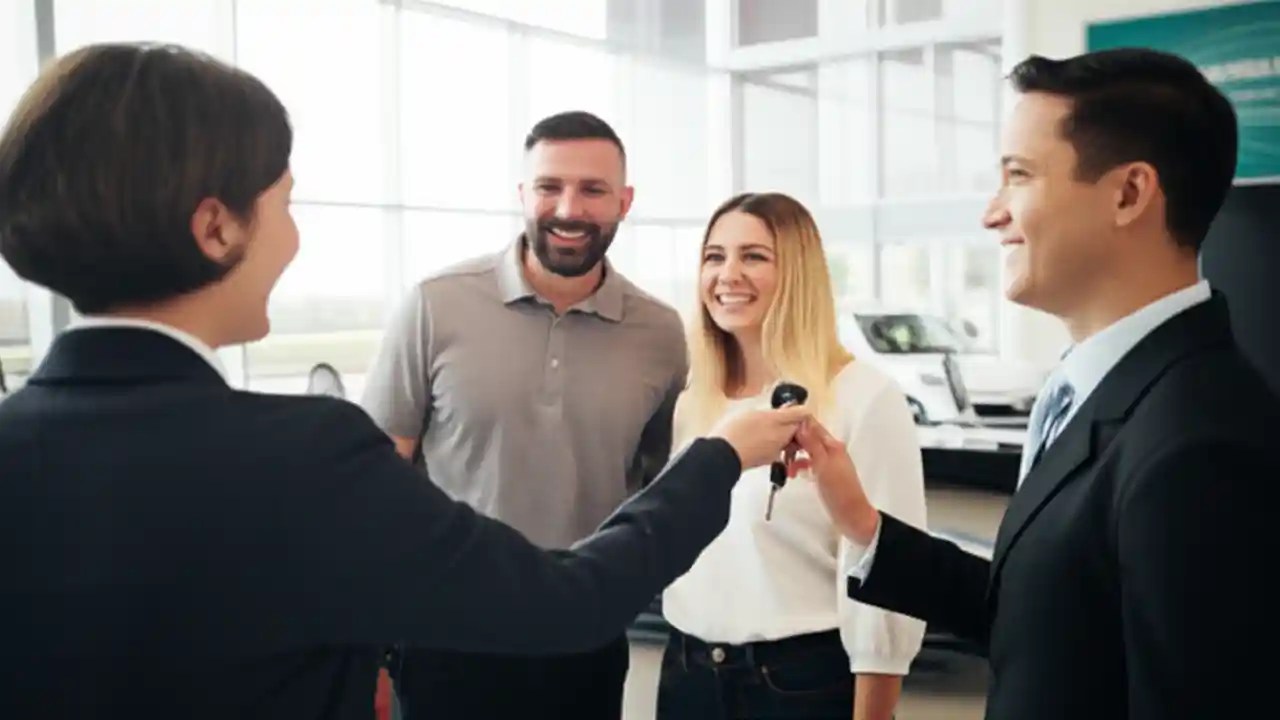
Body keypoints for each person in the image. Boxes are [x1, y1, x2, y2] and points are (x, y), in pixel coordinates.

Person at [0, 42, 815, 718]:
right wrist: (720, 456)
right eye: (284, 202)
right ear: (216, 228)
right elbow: (567, 601)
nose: (293, 236)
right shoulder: (307, 453)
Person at [792, 48, 1279, 720]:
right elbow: (1046, 616)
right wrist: (867, 527)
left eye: (1017, 177)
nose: (992, 214)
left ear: (1129, 194)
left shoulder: (1198, 445)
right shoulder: (1098, 393)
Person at [359, 109, 688, 719]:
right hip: (447, 633)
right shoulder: (438, 304)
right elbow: (379, 478)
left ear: (625, 201)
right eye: (549, 187)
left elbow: (659, 487)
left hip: (585, 636)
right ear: (522, 195)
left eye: (593, 190)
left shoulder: (661, 333)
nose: (568, 208)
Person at [655, 192, 927, 720]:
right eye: (714, 256)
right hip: (686, 675)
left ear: (798, 273)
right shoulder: (691, 399)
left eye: (754, 256)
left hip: (797, 687)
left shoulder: (862, 397)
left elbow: (890, 578)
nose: (728, 274)